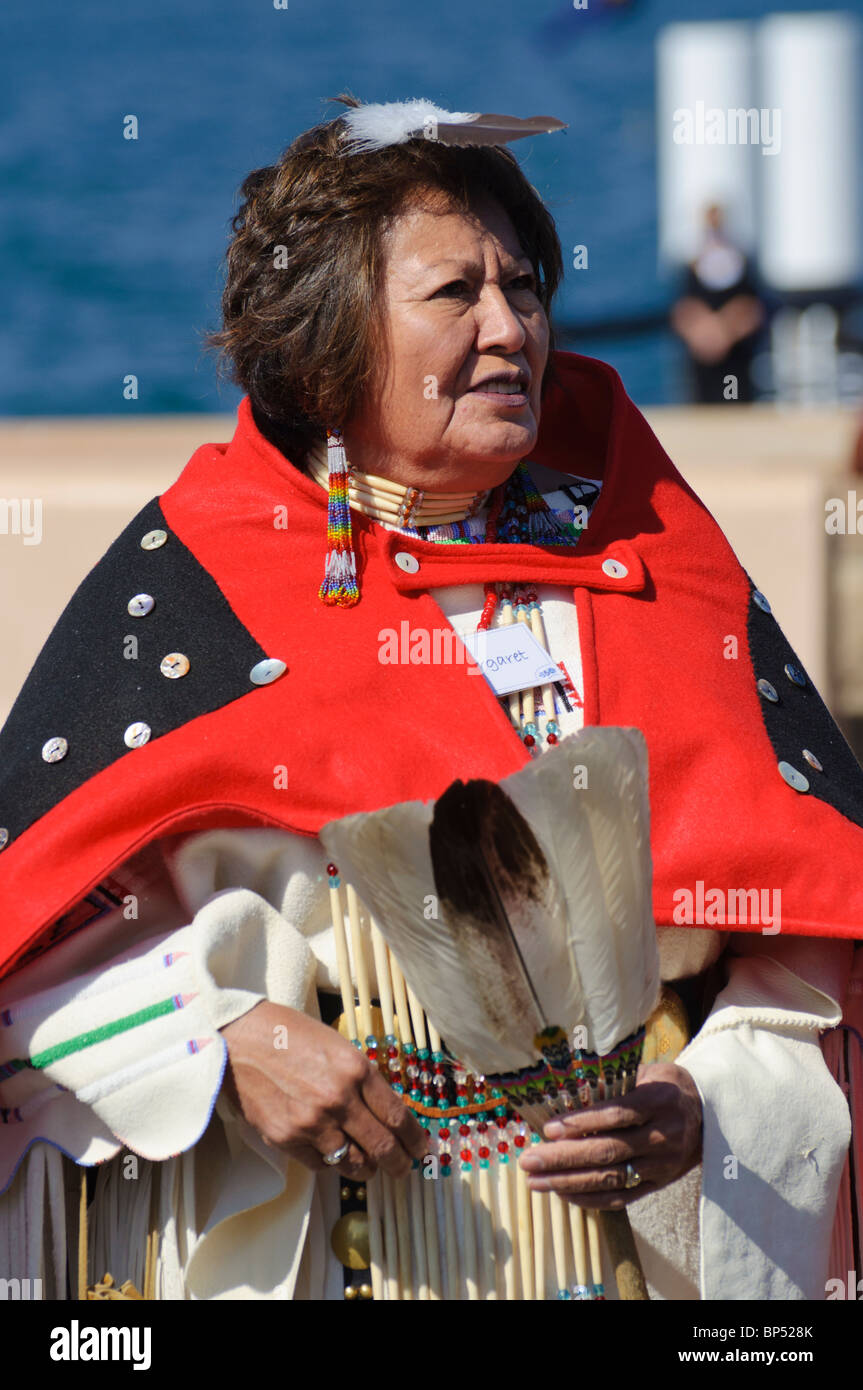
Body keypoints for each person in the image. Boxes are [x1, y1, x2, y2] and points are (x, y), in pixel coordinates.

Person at [0, 96, 861, 1302]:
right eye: (456, 295)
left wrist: (702, 1099)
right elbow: (26, 935)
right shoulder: (198, 585)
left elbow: (812, 923)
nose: (510, 328)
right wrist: (218, 1041)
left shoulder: (658, 563)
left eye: (523, 287)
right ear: (325, 340)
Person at [670, 203, 764, 404]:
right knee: (703, 401)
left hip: (736, 354)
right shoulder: (693, 263)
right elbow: (684, 307)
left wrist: (726, 331)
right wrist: (704, 334)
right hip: (703, 355)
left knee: (734, 399)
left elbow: (751, 306)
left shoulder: (741, 260)